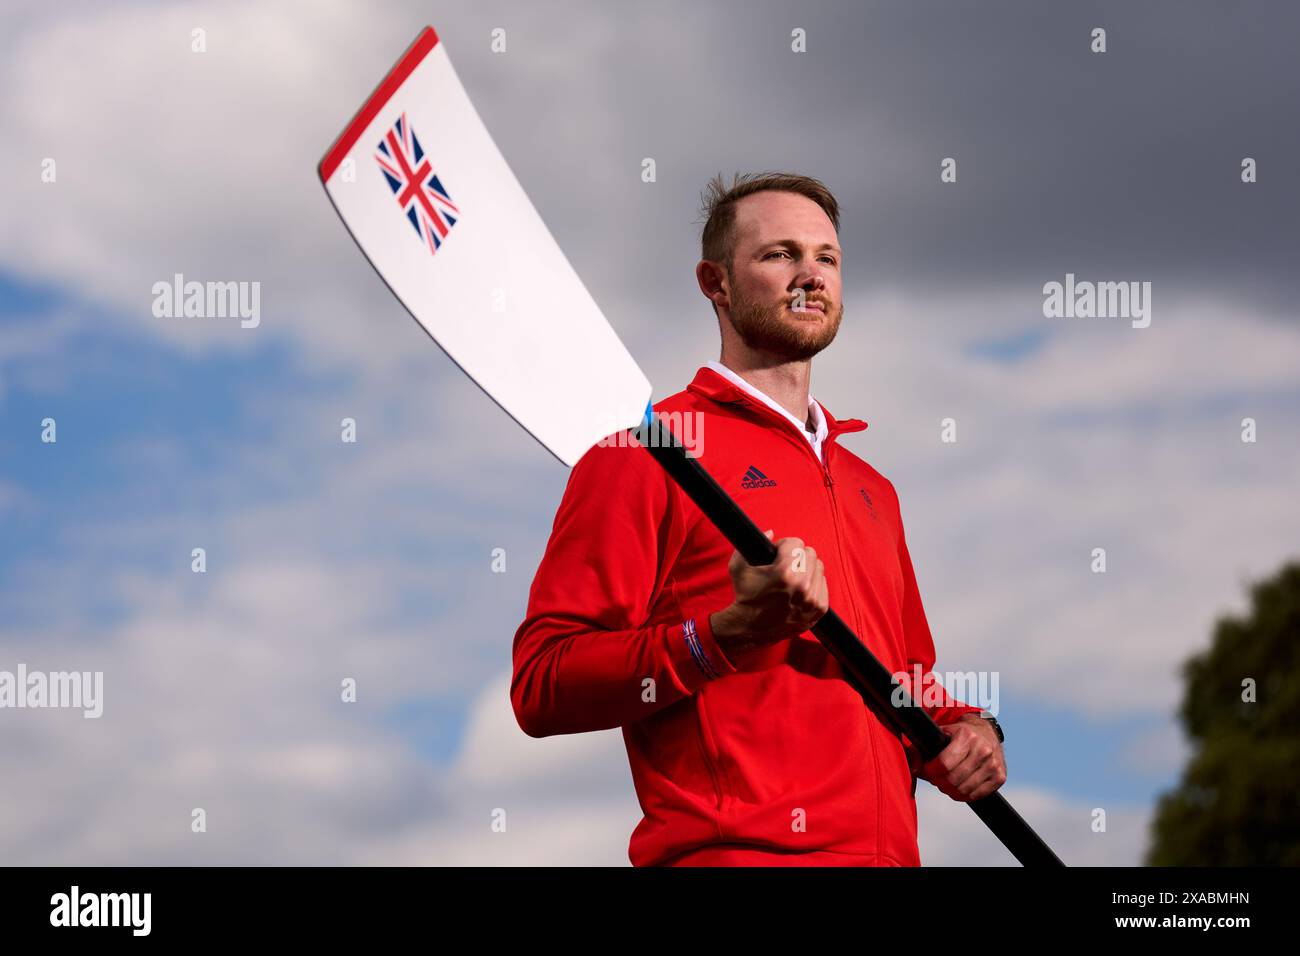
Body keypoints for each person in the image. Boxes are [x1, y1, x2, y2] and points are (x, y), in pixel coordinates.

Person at [511, 171, 1006, 866]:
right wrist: (723, 636)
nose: (810, 274)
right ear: (715, 282)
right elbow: (543, 685)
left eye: (826, 258)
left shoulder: (874, 490)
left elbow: (906, 677)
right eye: (779, 255)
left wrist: (968, 728)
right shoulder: (645, 453)